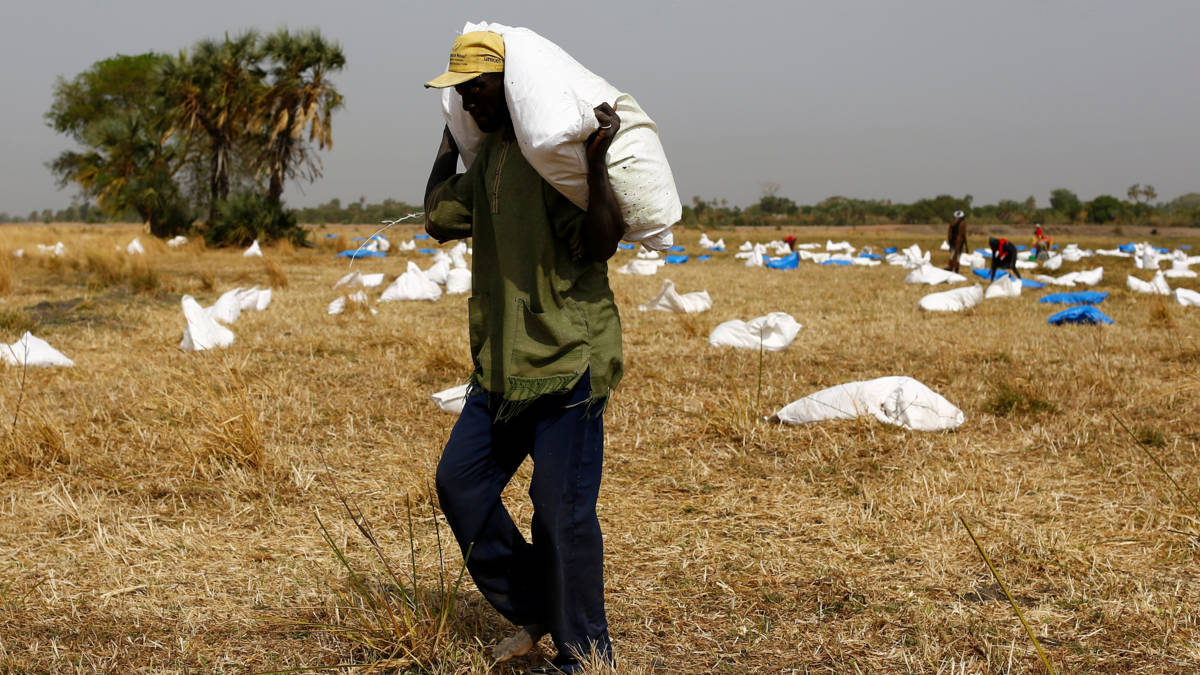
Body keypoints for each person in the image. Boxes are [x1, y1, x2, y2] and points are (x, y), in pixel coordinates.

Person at [423, 30, 624, 674]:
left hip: (567, 360)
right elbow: (435, 217)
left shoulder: (551, 159)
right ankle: (537, 608)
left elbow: (600, 243)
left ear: (507, 86)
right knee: (460, 483)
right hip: (504, 366)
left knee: (560, 515)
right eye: (460, 94)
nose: (468, 100)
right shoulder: (491, 162)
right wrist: (448, 148)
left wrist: (594, 165)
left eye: (476, 88)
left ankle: (585, 650)